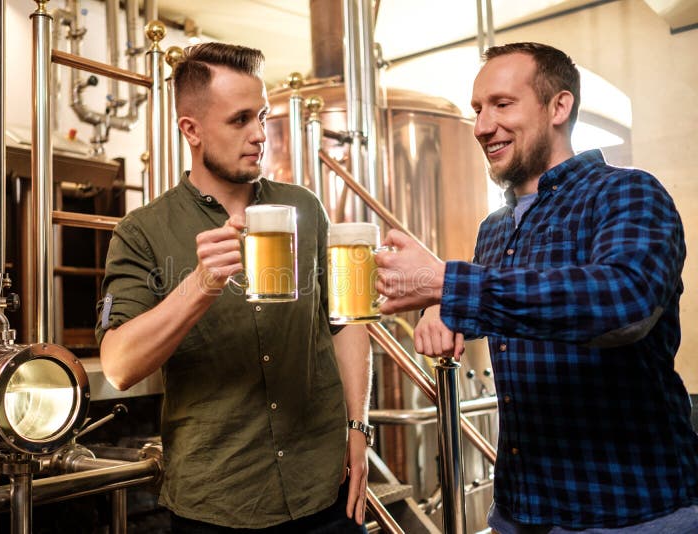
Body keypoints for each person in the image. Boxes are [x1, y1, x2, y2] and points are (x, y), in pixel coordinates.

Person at [374, 42, 698, 532]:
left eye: (502, 104)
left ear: (559, 107)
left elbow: (623, 302)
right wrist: (441, 309)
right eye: (478, 109)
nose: (482, 126)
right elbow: (499, 305)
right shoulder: (495, 228)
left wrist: (447, 283)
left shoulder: (627, 191)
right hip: (519, 509)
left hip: (627, 511)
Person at [96, 42, 372, 533]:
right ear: (191, 129)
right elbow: (119, 365)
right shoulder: (142, 231)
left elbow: (345, 321)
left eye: (262, 116)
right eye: (240, 119)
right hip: (219, 501)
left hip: (322, 486)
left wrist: (357, 428)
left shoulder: (304, 208)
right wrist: (200, 286)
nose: (260, 135)